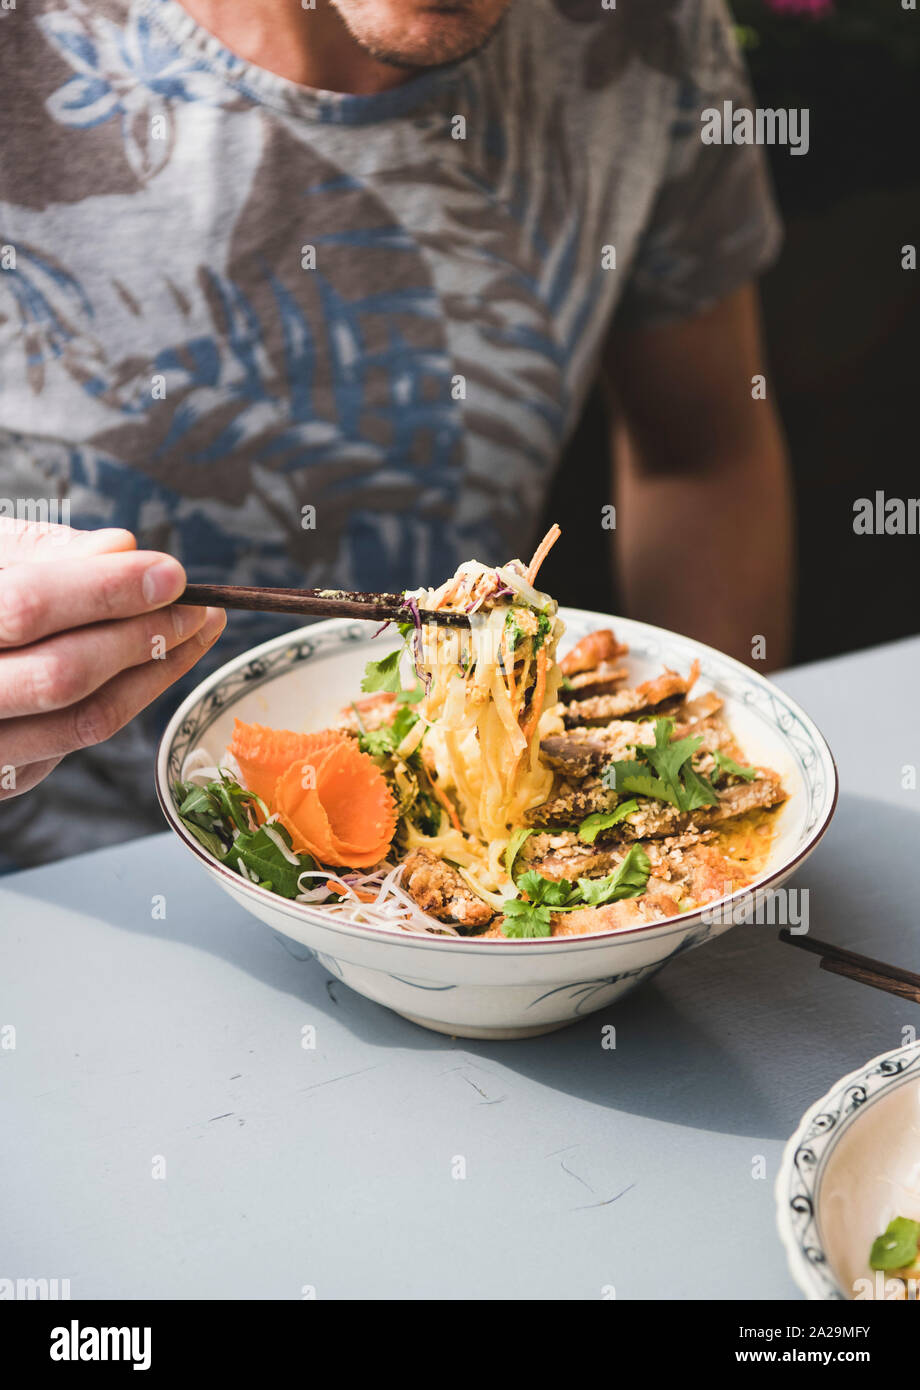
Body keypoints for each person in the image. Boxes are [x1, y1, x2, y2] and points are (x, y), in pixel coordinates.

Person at [0, 0, 793, 867]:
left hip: (486, 874)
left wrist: (705, 822)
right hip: (55, 867)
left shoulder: (646, 30)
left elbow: (700, 457)